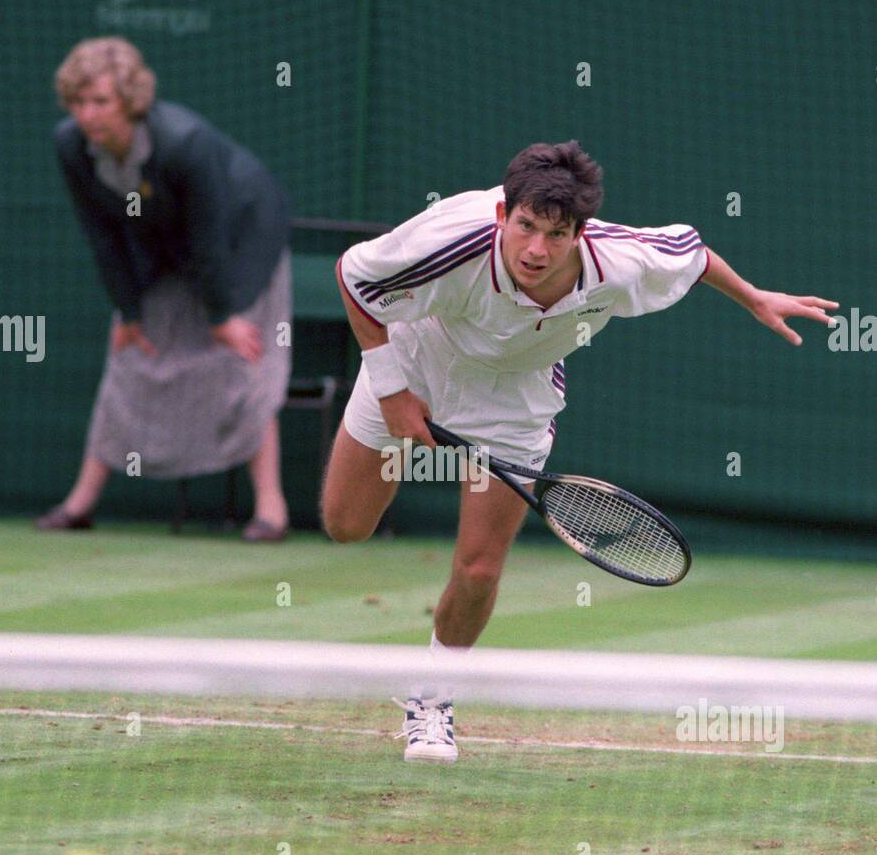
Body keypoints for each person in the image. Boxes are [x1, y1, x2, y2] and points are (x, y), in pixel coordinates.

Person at [321, 140, 838, 763]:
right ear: (502, 216)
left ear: (580, 234)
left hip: (518, 395)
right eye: (526, 227)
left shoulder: (617, 261)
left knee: (481, 567)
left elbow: (694, 255)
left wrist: (755, 298)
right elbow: (354, 275)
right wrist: (394, 392)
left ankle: (432, 701)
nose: (537, 250)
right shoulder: (448, 240)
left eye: (556, 235)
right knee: (346, 525)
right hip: (416, 357)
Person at [38, 37, 292, 541]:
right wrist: (129, 313)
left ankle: (271, 510)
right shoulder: (71, 145)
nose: (87, 115)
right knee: (129, 355)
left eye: (101, 102)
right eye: (78, 102)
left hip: (241, 239)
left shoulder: (184, 143)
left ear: (131, 100)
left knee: (243, 359)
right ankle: (80, 505)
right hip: (165, 245)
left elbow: (209, 235)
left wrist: (223, 318)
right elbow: (102, 233)